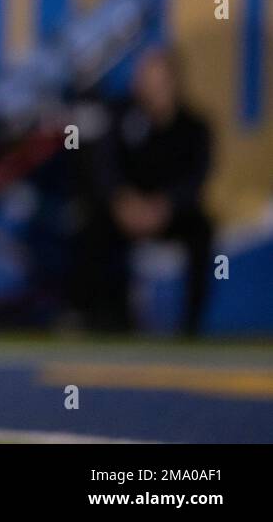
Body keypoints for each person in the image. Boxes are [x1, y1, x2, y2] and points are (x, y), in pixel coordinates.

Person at [72, 47, 214, 335]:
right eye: (145, 79)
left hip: (170, 214)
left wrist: (165, 205)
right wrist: (122, 201)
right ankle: (104, 317)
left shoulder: (194, 127)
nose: (149, 87)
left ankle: (191, 325)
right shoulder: (120, 117)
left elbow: (196, 178)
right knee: (90, 226)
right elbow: (103, 165)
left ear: (173, 81)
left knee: (202, 230)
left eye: (157, 80)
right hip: (124, 209)